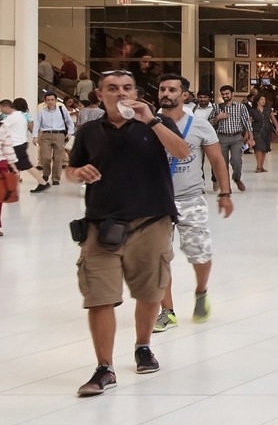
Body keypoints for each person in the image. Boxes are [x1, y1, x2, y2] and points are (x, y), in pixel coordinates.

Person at [63, 65, 194, 397]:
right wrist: (78, 173)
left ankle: (143, 345)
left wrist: (150, 119)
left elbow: (182, 151)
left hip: (151, 221)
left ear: (136, 93)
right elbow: (71, 168)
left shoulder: (156, 124)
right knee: (98, 297)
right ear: (99, 94)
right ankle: (104, 368)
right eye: (112, 88)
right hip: (101, 224)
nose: (120, 93)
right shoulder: (89, 131)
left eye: (127, 88)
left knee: (150, 293)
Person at [153, 74, 230, 327]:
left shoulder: (199, 125)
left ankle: (201, 292)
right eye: (162, 89)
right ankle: (168, 310)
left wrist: (225, 193)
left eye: (172, 89)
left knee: (199, 252)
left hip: (190, 198)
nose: (166, 93)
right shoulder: (147, 123)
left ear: (184, 95)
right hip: (156, 200)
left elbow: (218, 160)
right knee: (158, 257)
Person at [210, 87, 251, 192]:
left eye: (227, 94)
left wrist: (249, 135)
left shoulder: (240, 107)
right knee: (223, 163)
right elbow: (209, 123)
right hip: (221, 137)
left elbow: (246, 121)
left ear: (232, 94)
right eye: (223, 94)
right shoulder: (216, 107)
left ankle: (237, 178)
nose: (225, 96)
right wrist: (218, 117)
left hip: (236, 137)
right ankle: (226, 185)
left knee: (237, 160)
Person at [33, 87, 75, 189]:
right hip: (46, 135)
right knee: (46, 157)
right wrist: (34, 136)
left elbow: (69, 121)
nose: (50, 102)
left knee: (58, 158)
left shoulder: (62, 109)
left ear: (56, 100)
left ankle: (56, 178)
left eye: (52, 99)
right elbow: (37, 124)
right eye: (48, 100)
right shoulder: (42, 111)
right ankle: (46, 173)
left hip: (59, 135)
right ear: (45, 101)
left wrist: (69, 133)